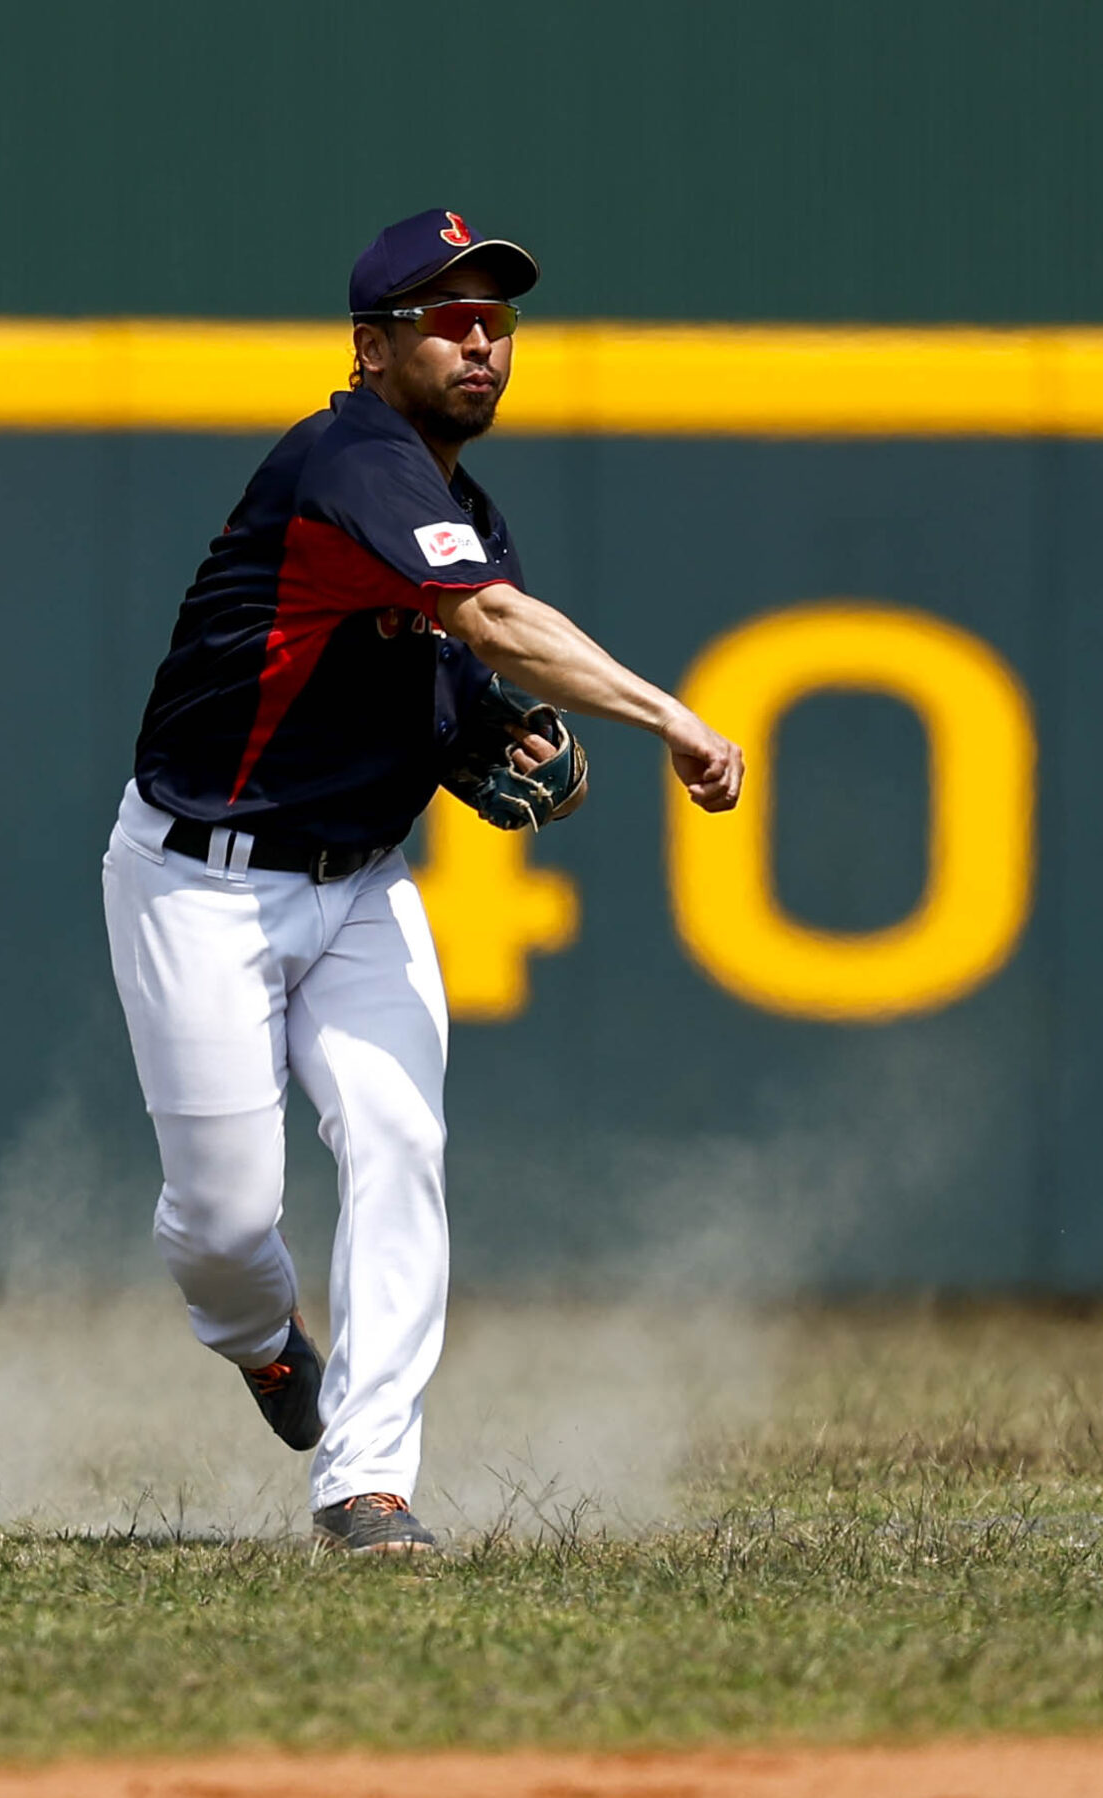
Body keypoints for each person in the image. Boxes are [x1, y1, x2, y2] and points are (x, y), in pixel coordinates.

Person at [101, 208, 743, 1553]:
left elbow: (433, 665)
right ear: (371, 346)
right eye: (445, 319)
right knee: (225, 1227)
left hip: (360, 891)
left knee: (399, 1146)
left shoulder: (454, 506)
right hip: (198, 883)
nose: (480, 341)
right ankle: (263, 1340)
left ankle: (367, 1479)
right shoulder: (348, 462)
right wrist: (667, 717)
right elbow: (494, 621)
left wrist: (482, 732)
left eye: (495, 319)